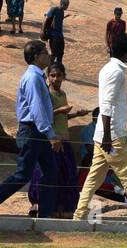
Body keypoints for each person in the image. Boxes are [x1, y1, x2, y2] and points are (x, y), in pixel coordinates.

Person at [73, 32, 127, 223]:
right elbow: (106, 105)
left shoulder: (108, 69)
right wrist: (110, 135)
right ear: (126, 52)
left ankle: (80, 213)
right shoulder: (115, 72)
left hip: (106, 133)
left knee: (94, 177)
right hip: (112, 134)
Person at [0, 41, 61, 217]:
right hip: (33, 131)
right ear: (36, 56)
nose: (48, 55)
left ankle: (45, 215)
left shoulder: (38, 77)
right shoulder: (32, 78)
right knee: (23, 174)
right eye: (45, 52)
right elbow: (37, 109)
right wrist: (51, 134)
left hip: (38, 131)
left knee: (51, 173)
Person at [30, 61, 89, 218]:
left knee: (67, 174)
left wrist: (76, 115)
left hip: (65, 138)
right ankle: (42, 206)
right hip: (52, 139)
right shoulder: (47, 94)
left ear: (64, 77)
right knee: (48, 174)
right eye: (52, 75)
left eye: (59, 75)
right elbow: (42, 115)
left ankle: (63, 208)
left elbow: (63, 117)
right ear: (48, 77)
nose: (55, 79)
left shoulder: (62, 94)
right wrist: (59, 110)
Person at [41, 0, 69, 65]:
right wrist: (43, 30)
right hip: (53, 35)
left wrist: (65, 17)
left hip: (60, 35)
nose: (67, 7)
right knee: (54, 53)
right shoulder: (54, 9)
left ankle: (59, 66)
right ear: (62, 4)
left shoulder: (62, 11)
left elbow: (59, 20)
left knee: (61, 52)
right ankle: (51, 67)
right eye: (66, 5)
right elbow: (47, 19)